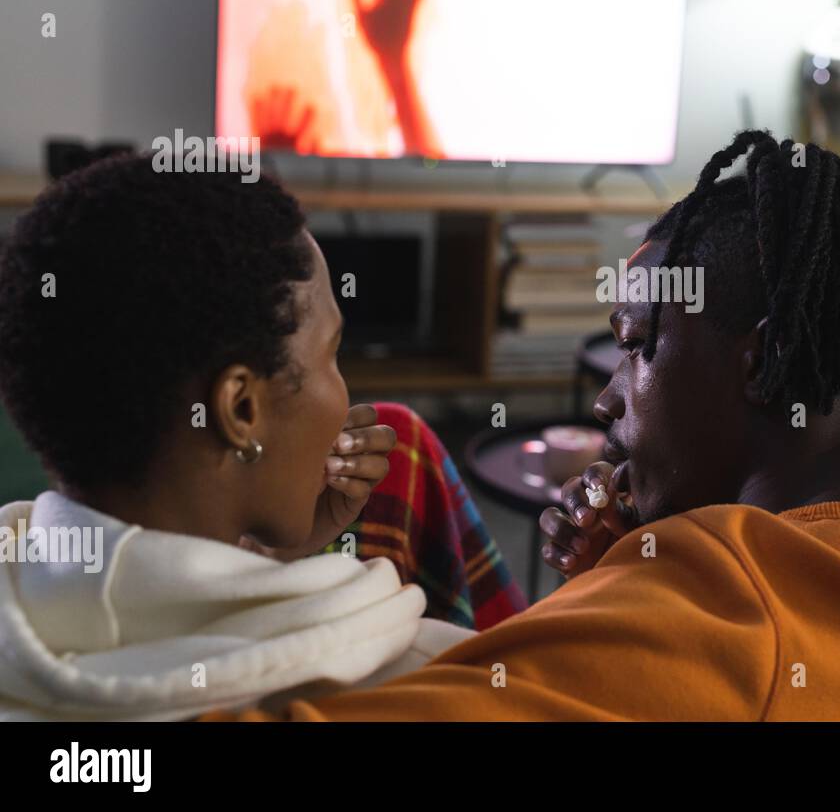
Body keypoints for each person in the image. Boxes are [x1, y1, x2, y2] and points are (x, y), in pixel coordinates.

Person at [217, 130, 840, 721]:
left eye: (636, 348)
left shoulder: (721, 611)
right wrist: (624, 575)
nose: (609, 398)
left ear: (763, 359)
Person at [0, 154, 521, 720]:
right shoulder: (417, 675)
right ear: (241, 408)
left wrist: (255, 556)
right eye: (332, 353)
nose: (344, 391)